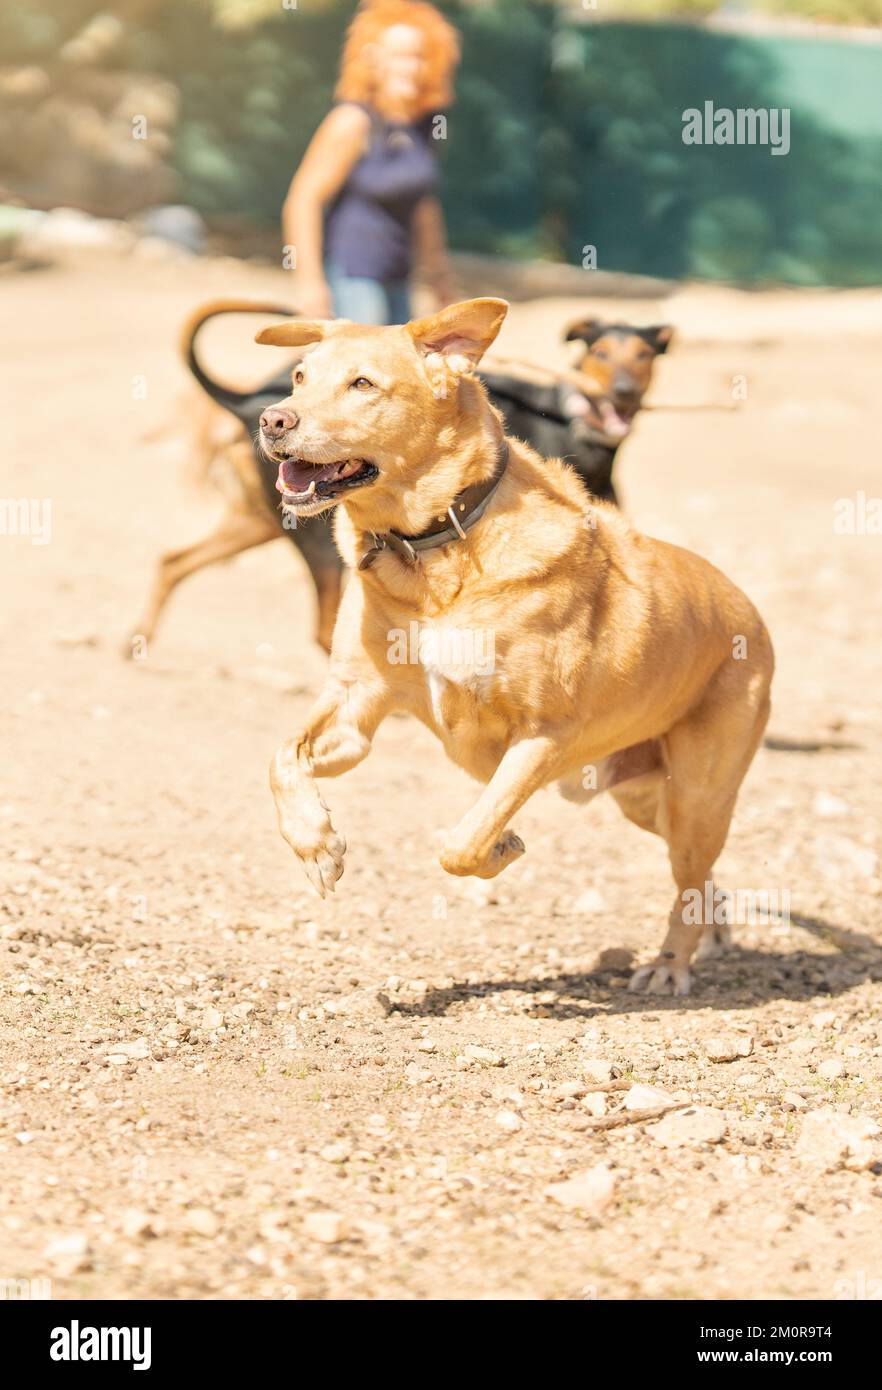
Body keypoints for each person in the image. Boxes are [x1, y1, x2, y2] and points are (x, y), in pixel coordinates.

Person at [283, 0, 460, 325]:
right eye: (398, 56)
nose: (408, 66)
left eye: (417, 56)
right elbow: (303, 199)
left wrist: (439, 277)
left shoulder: (426, 126)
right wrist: (309, 284)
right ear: (372, 59)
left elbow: (423, 204)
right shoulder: (352, 121)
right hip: (354, 275)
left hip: (398, 275)